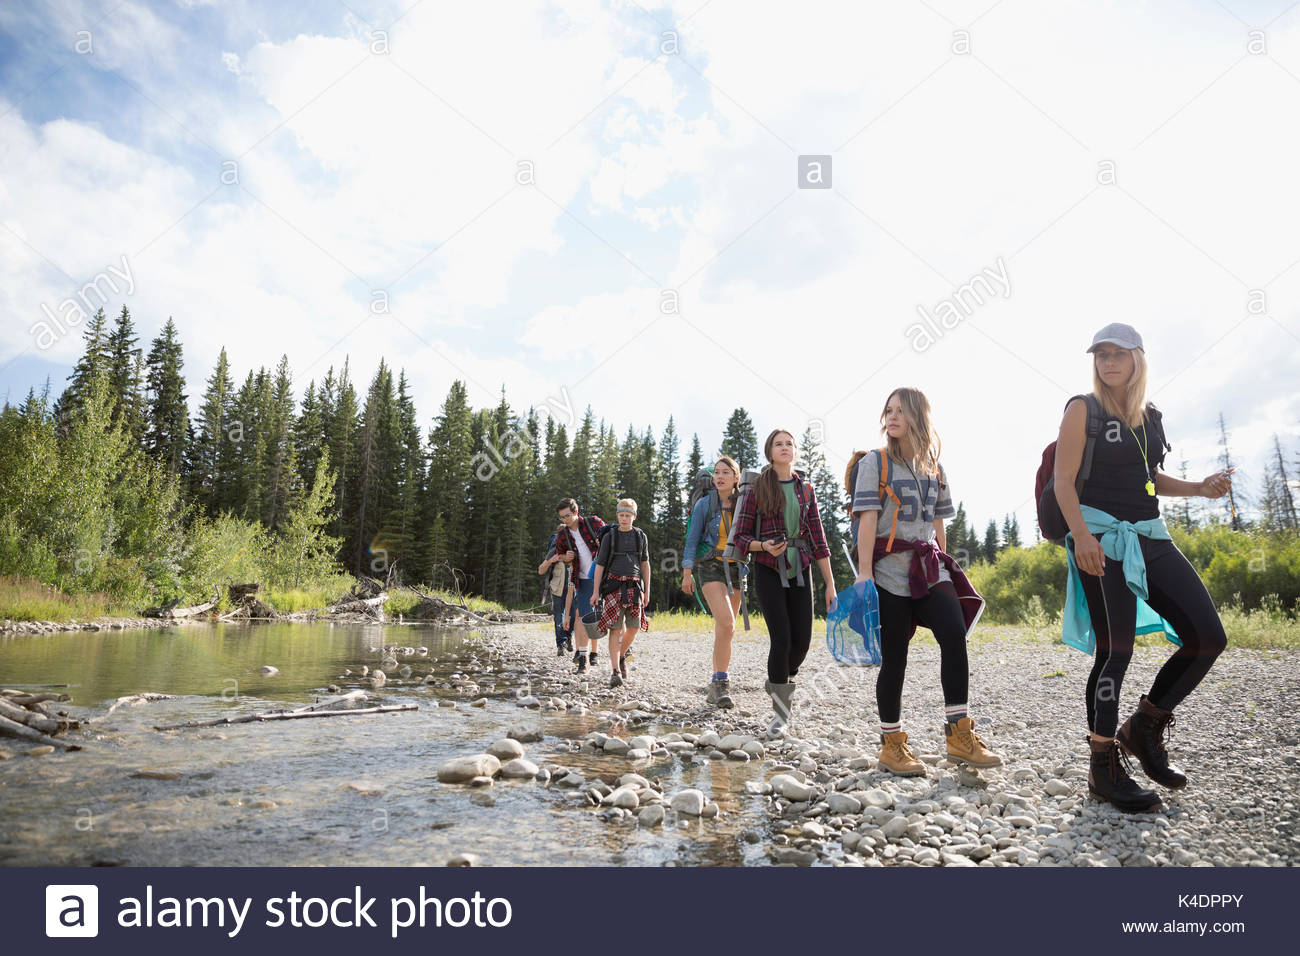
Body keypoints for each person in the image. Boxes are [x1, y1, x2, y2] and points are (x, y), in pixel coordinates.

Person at [1054, 324, 1229, 813]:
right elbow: (1063, 482)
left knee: (1207, 636)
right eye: (1101, 354)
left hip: (1150, 536)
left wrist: (1197, 488)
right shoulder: (1081, 409)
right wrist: (1083, 538)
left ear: (1138, 359)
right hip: (1101, 538)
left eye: (1118, 354)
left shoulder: (1150, 417)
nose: (1108, 362)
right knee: (1116, 653)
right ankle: (1103, 765)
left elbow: (1148, 477)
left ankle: (1145, 726)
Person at [852, 387, 1000, 777]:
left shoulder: (935, 466)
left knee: (953, 629)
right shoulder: (875, 462)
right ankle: (893, 744)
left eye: (900, 410)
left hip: (928, 568)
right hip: (887, 573)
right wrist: (864, 575)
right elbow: (867, 521)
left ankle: (959, 734)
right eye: (888, 410)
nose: (892, 417)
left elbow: (938, 524)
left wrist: (944, 565)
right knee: (895, 657)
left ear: (919, 415)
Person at [731, 429, 836, 738]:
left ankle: (783, 680)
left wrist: (830, 583)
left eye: (789, 443)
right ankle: (780, 714)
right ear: (770, 452)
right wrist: (762, 546)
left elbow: (819, 539)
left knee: (802, 642)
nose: (785, 447)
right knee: (781, 639)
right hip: (767, 569)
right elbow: (740, 537)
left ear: (796, 451)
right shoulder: (758, 489)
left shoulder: (807, 490)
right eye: (779, 444)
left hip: (801, 567)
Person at [682, 456, 745, 708]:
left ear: (736, 478)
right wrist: (687, 573)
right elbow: (691, 540)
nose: (719, 476)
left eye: (725, 472)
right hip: (710, 566)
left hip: (738, 568)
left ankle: (715, 684)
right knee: (727, 622)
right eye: (717, 473)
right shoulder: (705, 505)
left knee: (726, 629)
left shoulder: (745, 504)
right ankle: (722, 684)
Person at [591, 498, 651, 687]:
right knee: (615, 629)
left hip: (634, 587)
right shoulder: (610, 537)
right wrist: (595, 592)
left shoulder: (640, 536)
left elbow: (645, 564)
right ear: (617, 515)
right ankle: (615, 670)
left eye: (628, 515)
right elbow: (600, 565)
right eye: (621, 515)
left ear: (634, 516)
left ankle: (622, 654)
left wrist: (647, 590)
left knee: (634, 628)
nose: (624, 519)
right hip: (612, 586)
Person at [553, 498, 607, 674]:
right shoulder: (563, 535)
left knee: (610, 616)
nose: (565, 520)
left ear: (576, 512)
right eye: (562, 518)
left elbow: (612, 539)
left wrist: (603, 544)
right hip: (582, 580)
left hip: (605, 576)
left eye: (568, 516)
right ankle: (583, 660)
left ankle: (619, 655)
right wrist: (565, 558)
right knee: (583, 619)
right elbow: (559, 556)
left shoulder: (594, 523)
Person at [538, 525, 575, 656]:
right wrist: (550, 561)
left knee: (573, 617)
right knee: (559, 618)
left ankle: (569, 637)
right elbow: (541, 570)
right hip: (557, 588)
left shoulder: (575, 549)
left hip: (574, 588)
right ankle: (561, 644)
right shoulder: (554, 550)